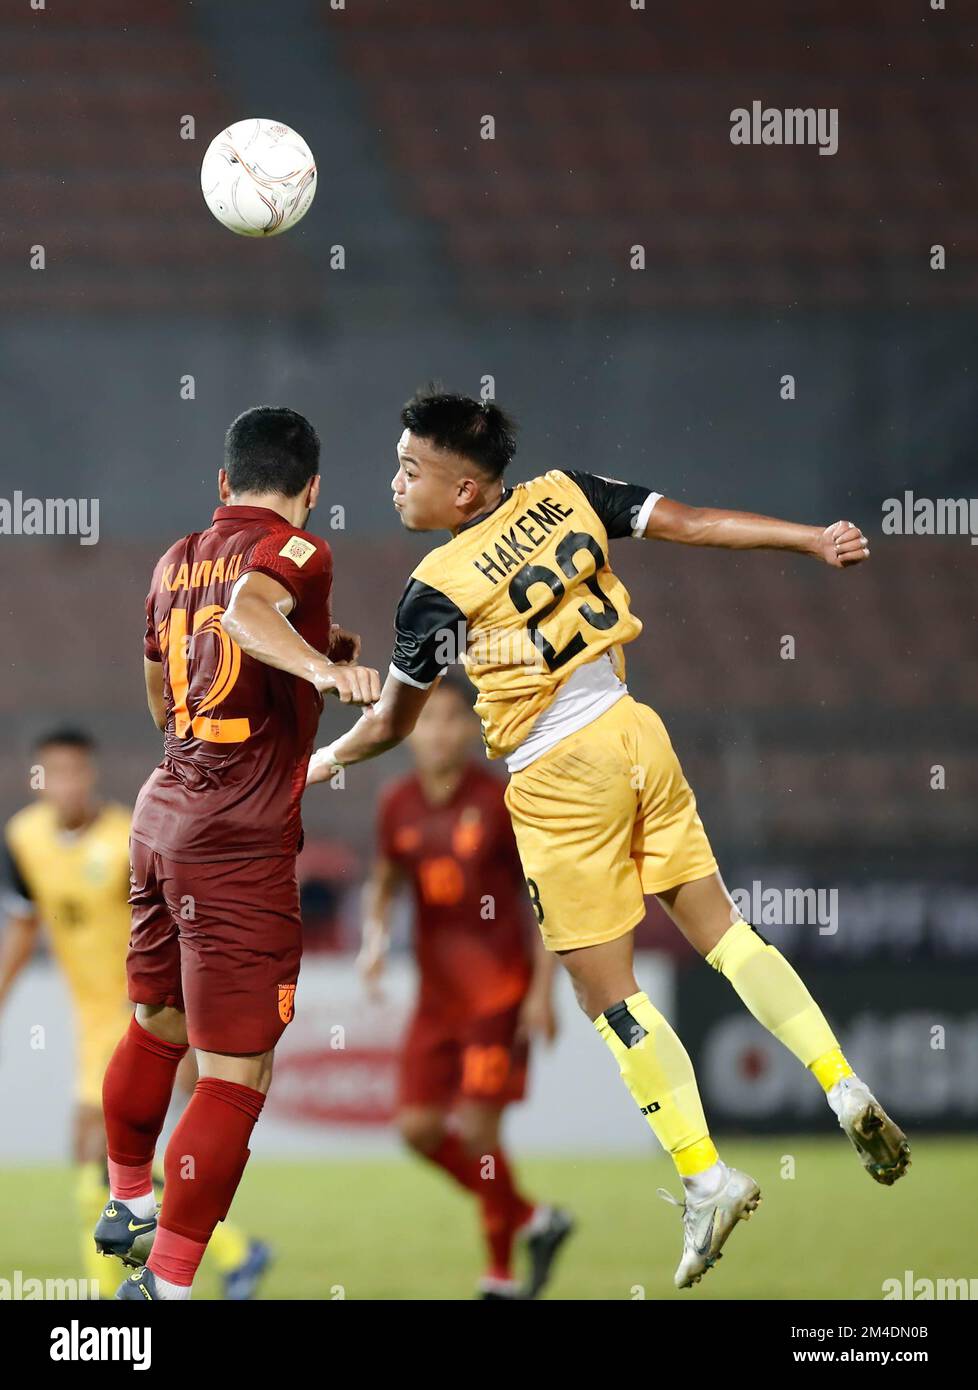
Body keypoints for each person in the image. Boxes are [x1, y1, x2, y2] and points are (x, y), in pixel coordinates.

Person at [307, 387, 910, 1291]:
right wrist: (812, 539)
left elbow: (394, 723)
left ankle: (706, 1177)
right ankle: (842, 1082)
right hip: (634, 729)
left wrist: (317, 765)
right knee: (726, 932)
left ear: (463, 491)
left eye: (409, 469)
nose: (394, 483)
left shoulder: (436, 587)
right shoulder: (569, 492)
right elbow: (694, 523)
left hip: (558, 773)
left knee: (608, 994)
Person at [98, 405, 380, 1300]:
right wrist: (323, 670)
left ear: (224, 481)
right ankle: (170, 1286)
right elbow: (249, 611)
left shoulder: (175, 556)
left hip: (160, 816)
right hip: (234, 844)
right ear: (313, 489)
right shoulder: (301, 551)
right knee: (236, 1072)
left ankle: (127, 1202)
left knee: (157, 1023)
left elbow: (162, 691)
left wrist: (308, 650)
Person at [0, 729, 272, 1299]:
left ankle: (143, 1285)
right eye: (53, 773)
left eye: (75, 771)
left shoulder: (131, 834)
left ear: (91, 774)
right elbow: (24, 926)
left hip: (145, 1018)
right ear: (37, 779)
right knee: (102, 1170)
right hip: (88, 1022)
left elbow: (179, 925)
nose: (66, 784)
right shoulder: (24, 839)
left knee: (95, 1167)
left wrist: (188, 1029)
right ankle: (234, 1253)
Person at [362, 674, 572, 1299]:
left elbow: (544, 897)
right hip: (436, 1001)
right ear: (408, 730)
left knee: (480, 1134)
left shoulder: (501, 801)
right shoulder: (397, 803)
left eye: (452, 718)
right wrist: (374, 944)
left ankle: (499, 1275)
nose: (439, 732)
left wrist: (542, 992)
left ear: (472, 726)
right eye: (426, 719)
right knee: (418, 1129)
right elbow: (385, 881)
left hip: (498, 995)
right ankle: (534, 1217)